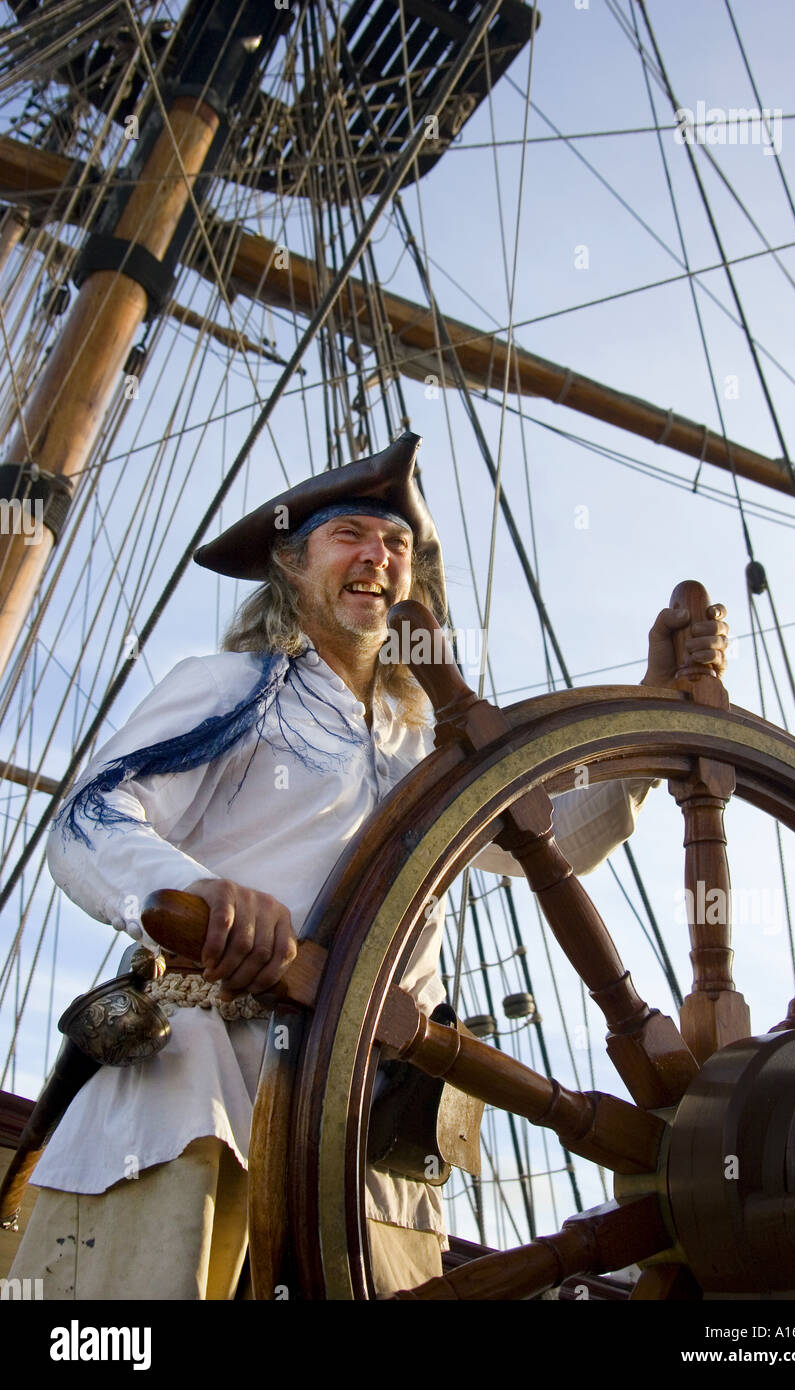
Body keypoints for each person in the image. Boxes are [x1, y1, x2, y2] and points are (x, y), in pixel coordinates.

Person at [9, 432, 727, 1300]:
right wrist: (200, 893)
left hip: (369, 1121)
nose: (378, 558)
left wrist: (651, 717)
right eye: (351, 533)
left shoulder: (426, 745)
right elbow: (88, 822)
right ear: (290, 562)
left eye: (398, 546)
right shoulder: (232, 687)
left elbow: (550, 841)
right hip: (199, 1087)